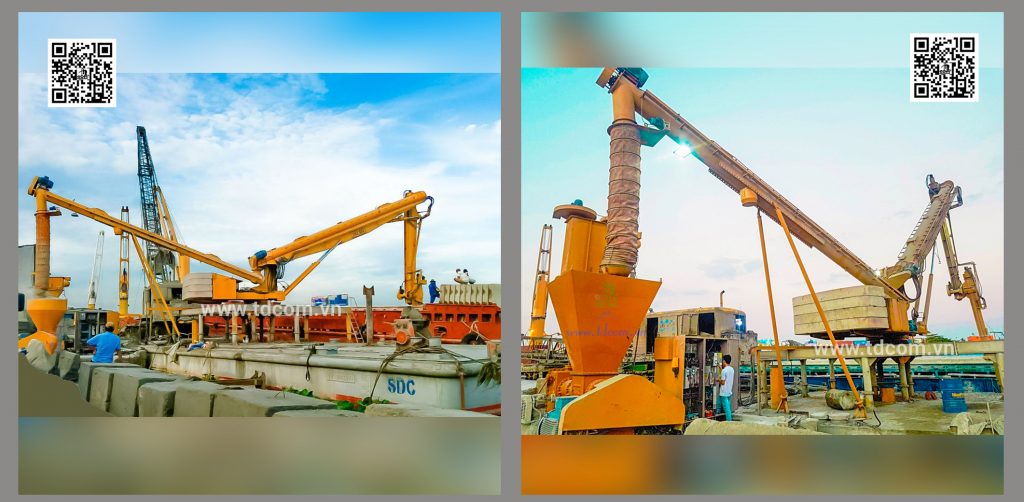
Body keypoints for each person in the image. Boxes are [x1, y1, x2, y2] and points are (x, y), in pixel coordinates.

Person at [718, 354, 735, 421]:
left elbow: (723, 382)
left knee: (727, 409)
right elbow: (726, 376)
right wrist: (721, 369)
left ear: (724, 361)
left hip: (724, 392)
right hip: (729, 391)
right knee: (728, 407)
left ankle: (729, 421)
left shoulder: (724, 371)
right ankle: (718, 412)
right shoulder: (731, 369)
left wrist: (717, 380)